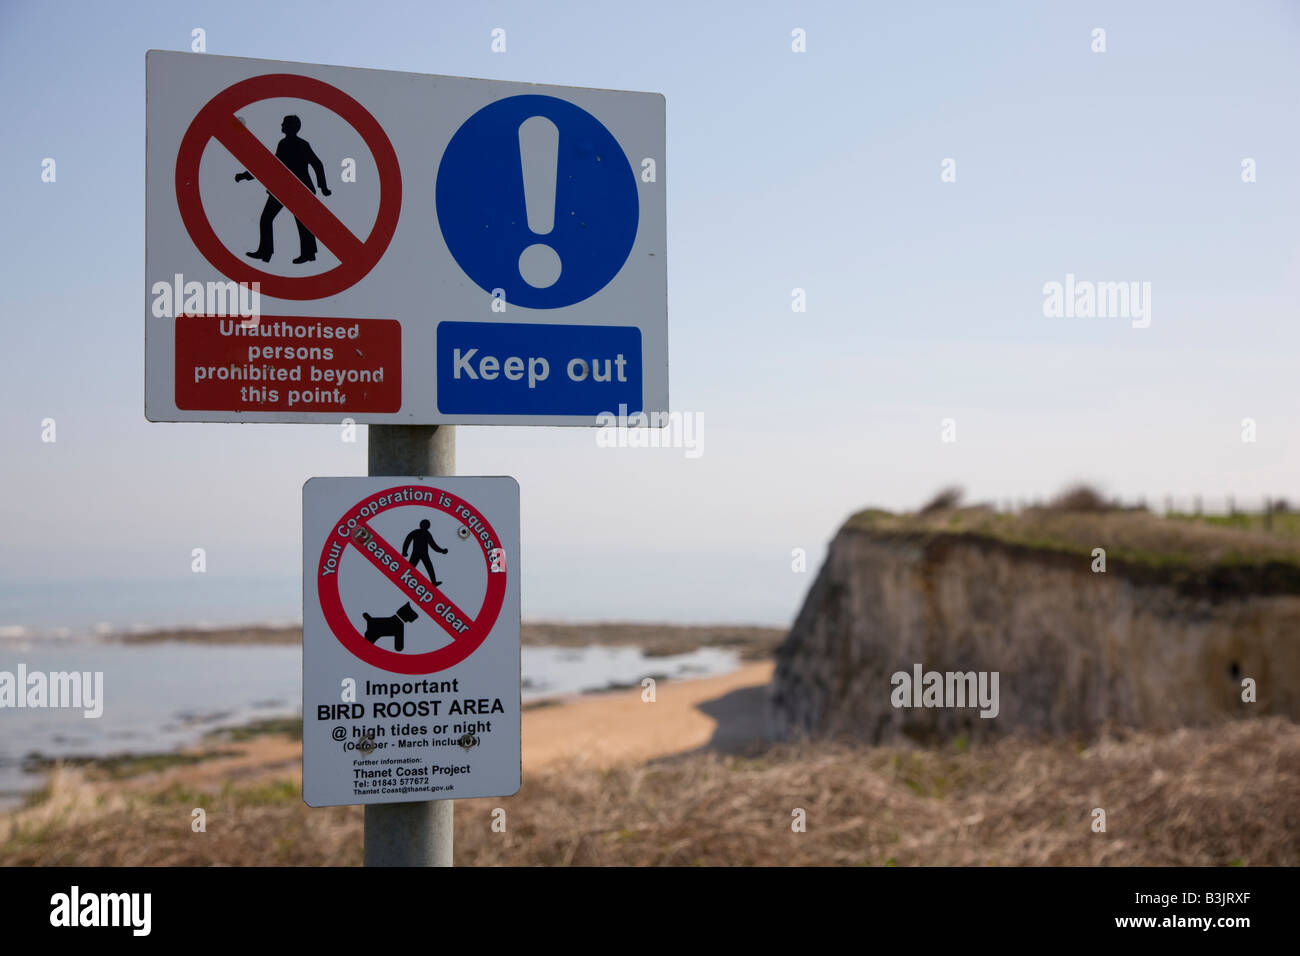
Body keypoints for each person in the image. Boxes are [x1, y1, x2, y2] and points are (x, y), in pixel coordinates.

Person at [235, 115, 331, 264]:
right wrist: (246, 175)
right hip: (282, 189)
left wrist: (323, 187)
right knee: (267, 219)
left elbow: (317, 164)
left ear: (290, 127)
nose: (281, 125)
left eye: (284, 123)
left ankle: (307, 254)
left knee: (303, 222)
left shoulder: (300, 144)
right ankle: (265, 252)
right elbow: (270, 164)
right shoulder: (283, 144)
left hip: (299, 190)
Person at [402, 519, 449, 585]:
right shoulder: (419, 532)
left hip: (423, 554)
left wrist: (441, 550)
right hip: (417, 553)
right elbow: (408, 540)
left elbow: (433, 545)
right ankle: (403, 577)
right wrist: (404, 551)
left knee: (428, 567)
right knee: (416, 567)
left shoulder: (425, 533)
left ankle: (434, 582)